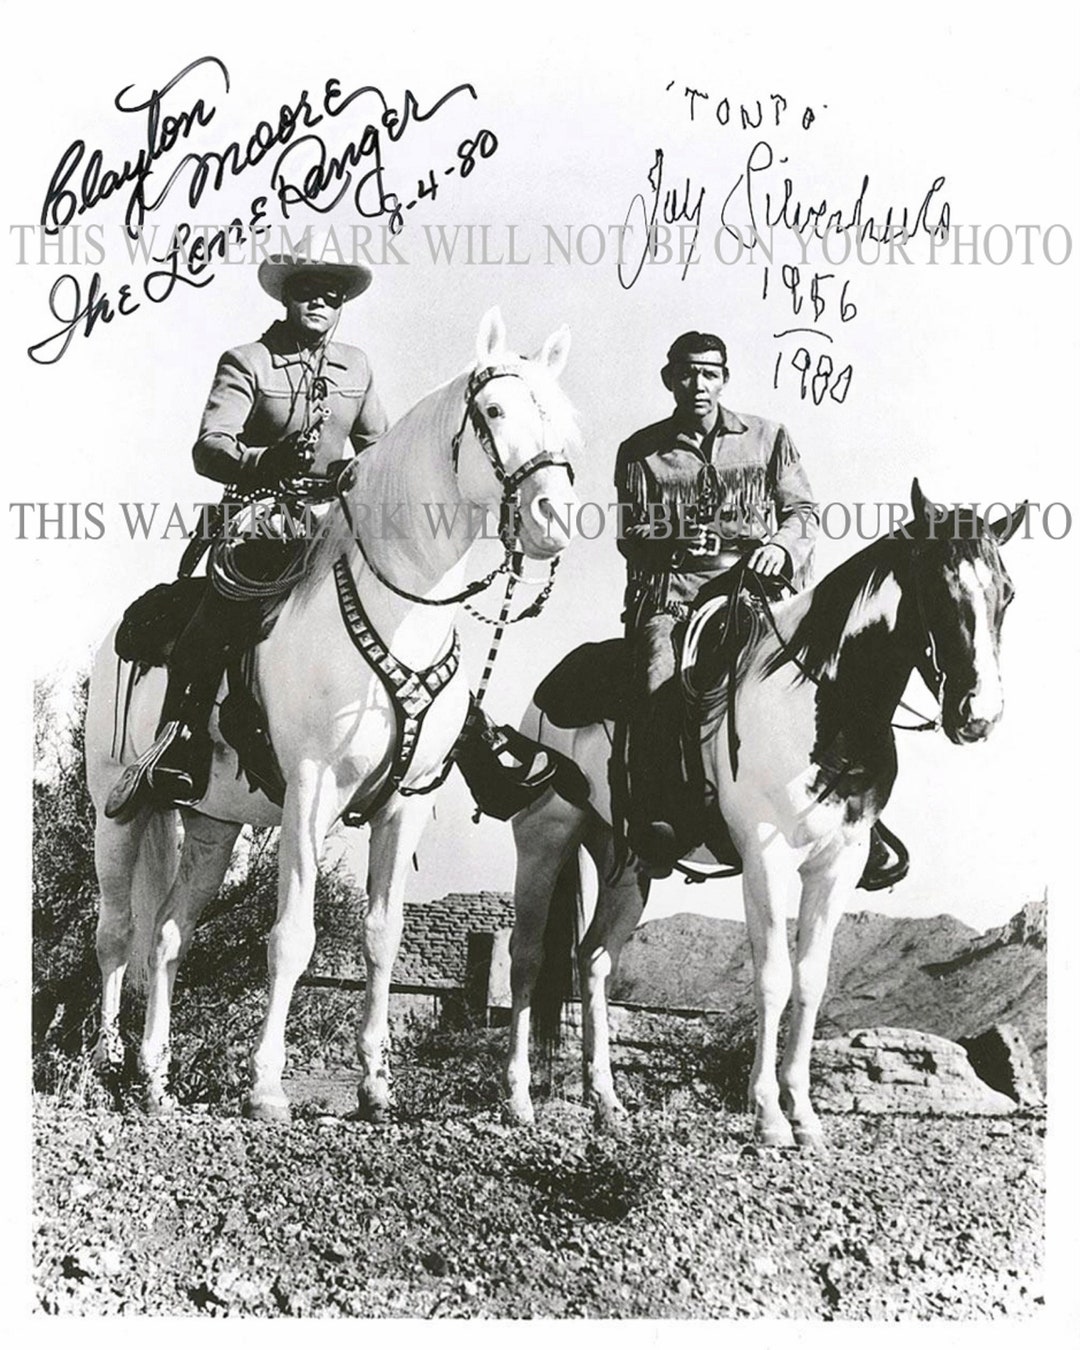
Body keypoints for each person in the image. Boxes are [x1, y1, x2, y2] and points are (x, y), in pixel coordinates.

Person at [105, 245, 555, 821]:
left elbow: (380, 447)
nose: (320, 301)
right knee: (221, 610)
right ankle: (180, 741)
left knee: (413, 608)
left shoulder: (356, 366)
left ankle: (475, 745)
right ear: (286, 297)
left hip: (333, 515)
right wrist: (262, 462)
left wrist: (364, 475)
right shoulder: (247, 362)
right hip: (257, 517)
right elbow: (209, 448)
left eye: (332, 295)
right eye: (307, 291)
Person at [615, 330, 819, 877]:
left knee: (820, 668)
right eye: (686, 372)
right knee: (657, 677)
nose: (698, 384)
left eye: (709, 373)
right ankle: (661, 817)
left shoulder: (770, 438)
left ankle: (844, 804)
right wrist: (678, 534)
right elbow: (629, 533)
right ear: (669, 380)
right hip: (674, 596)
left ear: (724, 379)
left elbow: (802, 512)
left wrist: (780, 545)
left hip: (755, 592)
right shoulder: (639, 452)